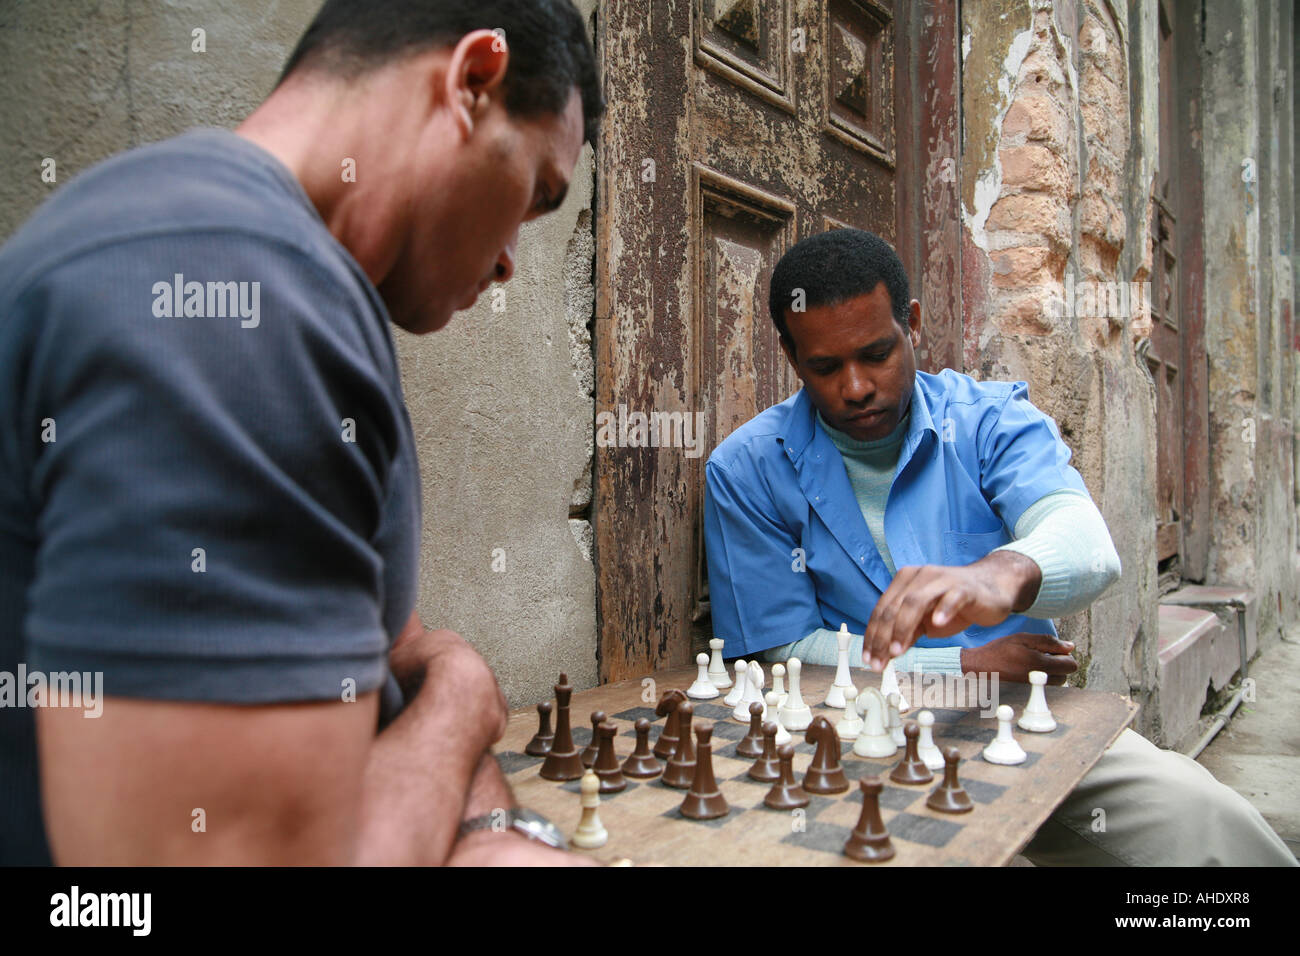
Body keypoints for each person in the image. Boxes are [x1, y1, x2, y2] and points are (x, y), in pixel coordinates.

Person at [0, 0, 603, 865]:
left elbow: (394, 654)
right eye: (537, 195)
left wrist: (485, 828)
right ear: (472, 80)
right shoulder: (237, 289)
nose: (511, 255)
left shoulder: (259, 263)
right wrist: (464, 701)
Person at [704, 228, 1296, 866]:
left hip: (1019, 713)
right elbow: (781, 651)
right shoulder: (746, 470)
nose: (855, 387)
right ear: (792, 359)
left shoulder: (988, 421)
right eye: (825, 367)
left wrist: (1000, 574)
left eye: (877, 354)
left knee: (1203, 818)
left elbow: (1090, 546)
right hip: (846, 732)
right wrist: (961, 670)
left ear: (914, 325)